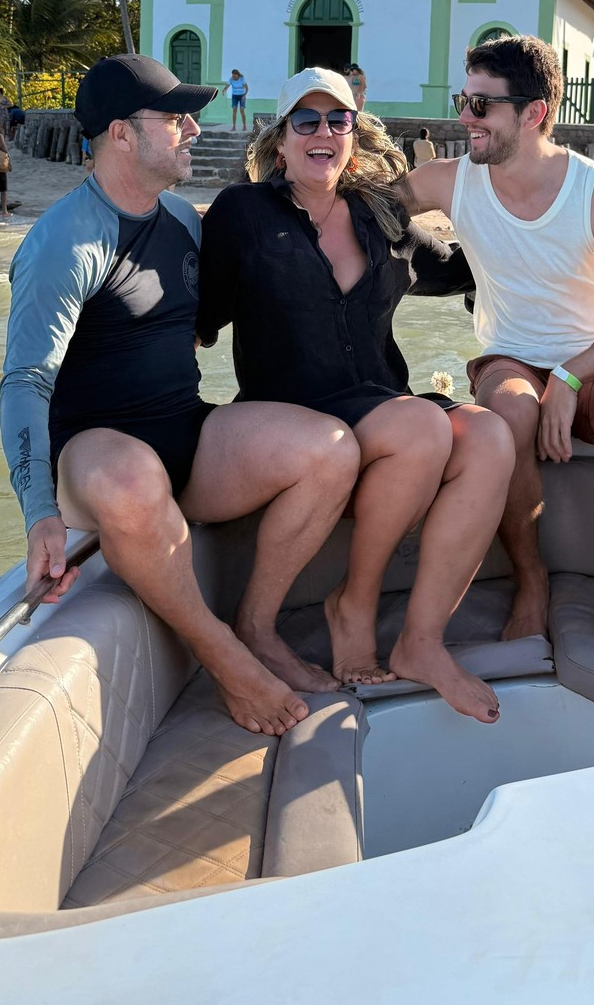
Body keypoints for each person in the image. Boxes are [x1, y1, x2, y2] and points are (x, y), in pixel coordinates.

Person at [1, 53, 360, 739]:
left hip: (187, 436)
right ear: (122, 135)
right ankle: (223, 654)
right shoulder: (63, 243)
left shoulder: (183, 221)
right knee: (129, 478)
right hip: (96, 457)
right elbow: (24, 381)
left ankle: (256, 625)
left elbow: (207, 321)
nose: (193, 128)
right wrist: (39, 512)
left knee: (331, 449)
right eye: (175, 118)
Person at [198, 68, 514, 724]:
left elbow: (466, 268)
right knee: (423, 429)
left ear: (354, 132)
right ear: (280, 140)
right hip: (289, 425)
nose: (322, 132)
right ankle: (354, 606)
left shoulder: (380, 215)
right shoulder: (243, 214)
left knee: (489, 435)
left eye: (336, 120)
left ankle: (422, 640)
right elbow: (194, 317)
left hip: (378, 415)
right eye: (305, 121)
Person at [398, 34, 594, 661]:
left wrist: (572, 377)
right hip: (509, 359)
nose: (464, 119)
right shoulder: (453, 181)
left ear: (534, 113)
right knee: (511, 411)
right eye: (463, 101)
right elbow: (366, 203)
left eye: (482, 107)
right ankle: (532, 582)